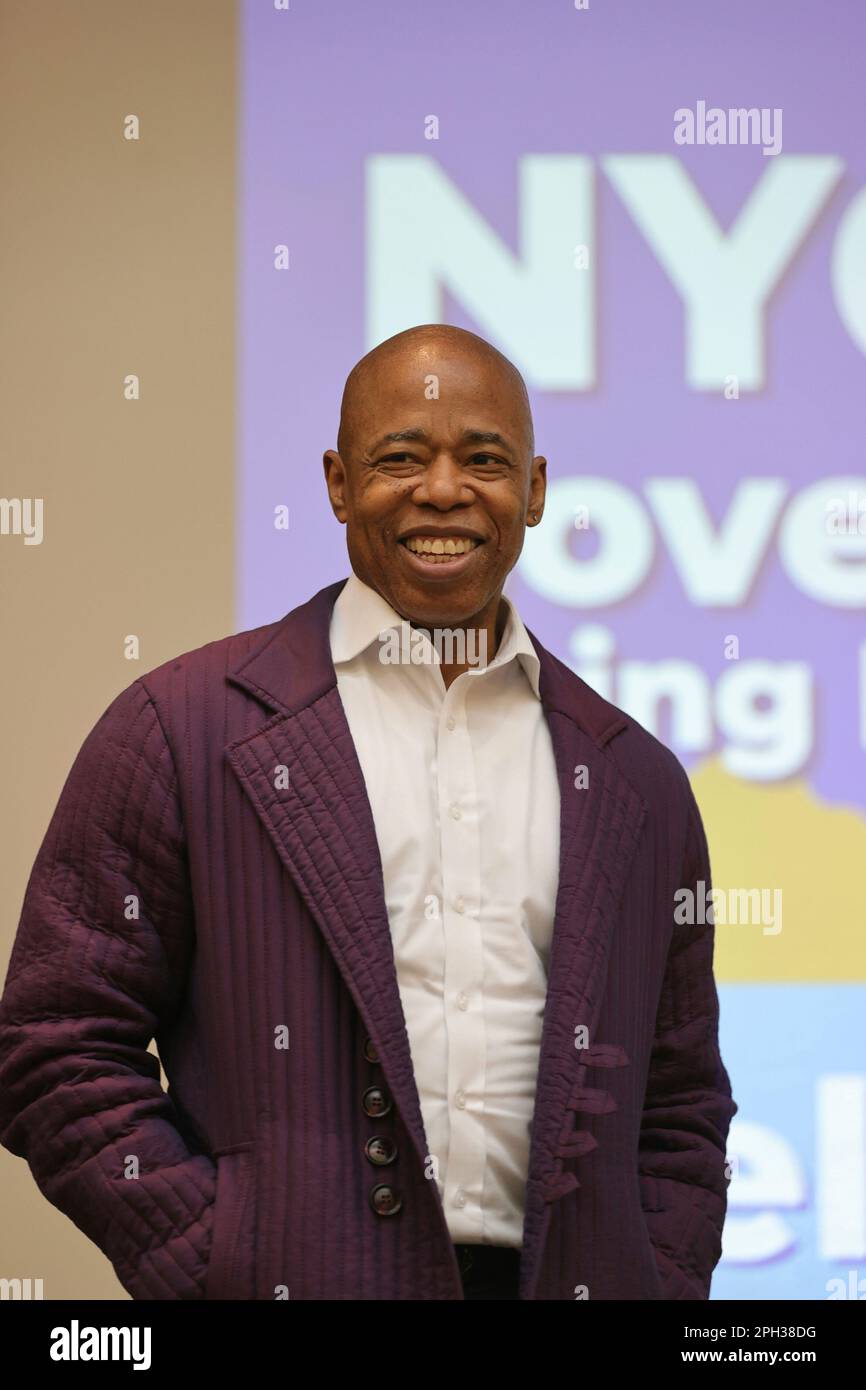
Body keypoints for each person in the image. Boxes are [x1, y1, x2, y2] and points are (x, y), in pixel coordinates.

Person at [0, 324, 736, 1300]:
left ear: (535, 490)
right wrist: (216, 1263)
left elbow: (680, 1102)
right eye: (400, 459)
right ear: (338, 484)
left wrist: (662, 1277)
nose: (443, 490)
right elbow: (57, 1041)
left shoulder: (634, 778)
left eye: (484, 460)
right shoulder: (179, 729)